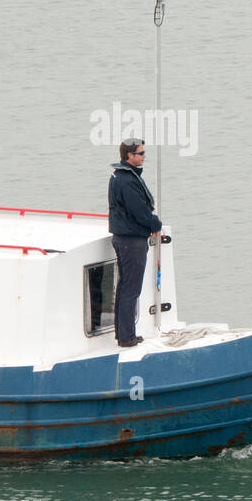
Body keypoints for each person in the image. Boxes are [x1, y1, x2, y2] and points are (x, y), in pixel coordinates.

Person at [108, 138, 162, 347]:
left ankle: (123, 334)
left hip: (124, 238)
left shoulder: (118, 176)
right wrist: (155, 223)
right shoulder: (128, 180)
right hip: (131, 240)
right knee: (131, 289)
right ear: (129, 155)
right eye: (140, 153)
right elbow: (139, 211)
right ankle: (127, 337)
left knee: (124, 288)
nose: (144, 156)